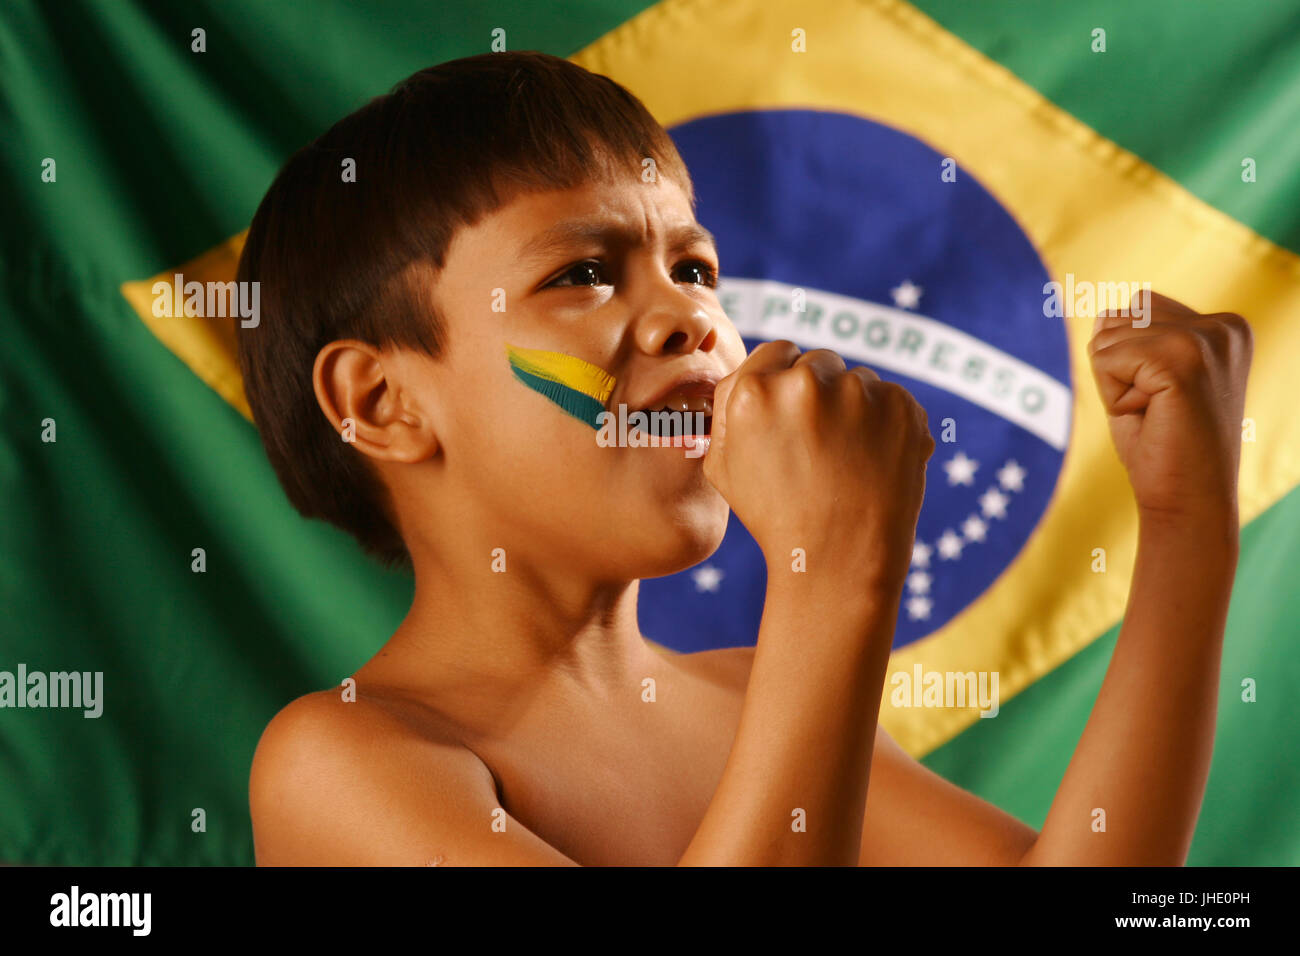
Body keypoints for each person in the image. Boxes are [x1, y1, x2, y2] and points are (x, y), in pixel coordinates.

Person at [240, 51, 1252, 865]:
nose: (691, 313)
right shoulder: (342, 759)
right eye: (583, 272)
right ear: (380, 402)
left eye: (694, 267)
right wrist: (833, 575)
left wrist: (1185, 522)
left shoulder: (747, 690)